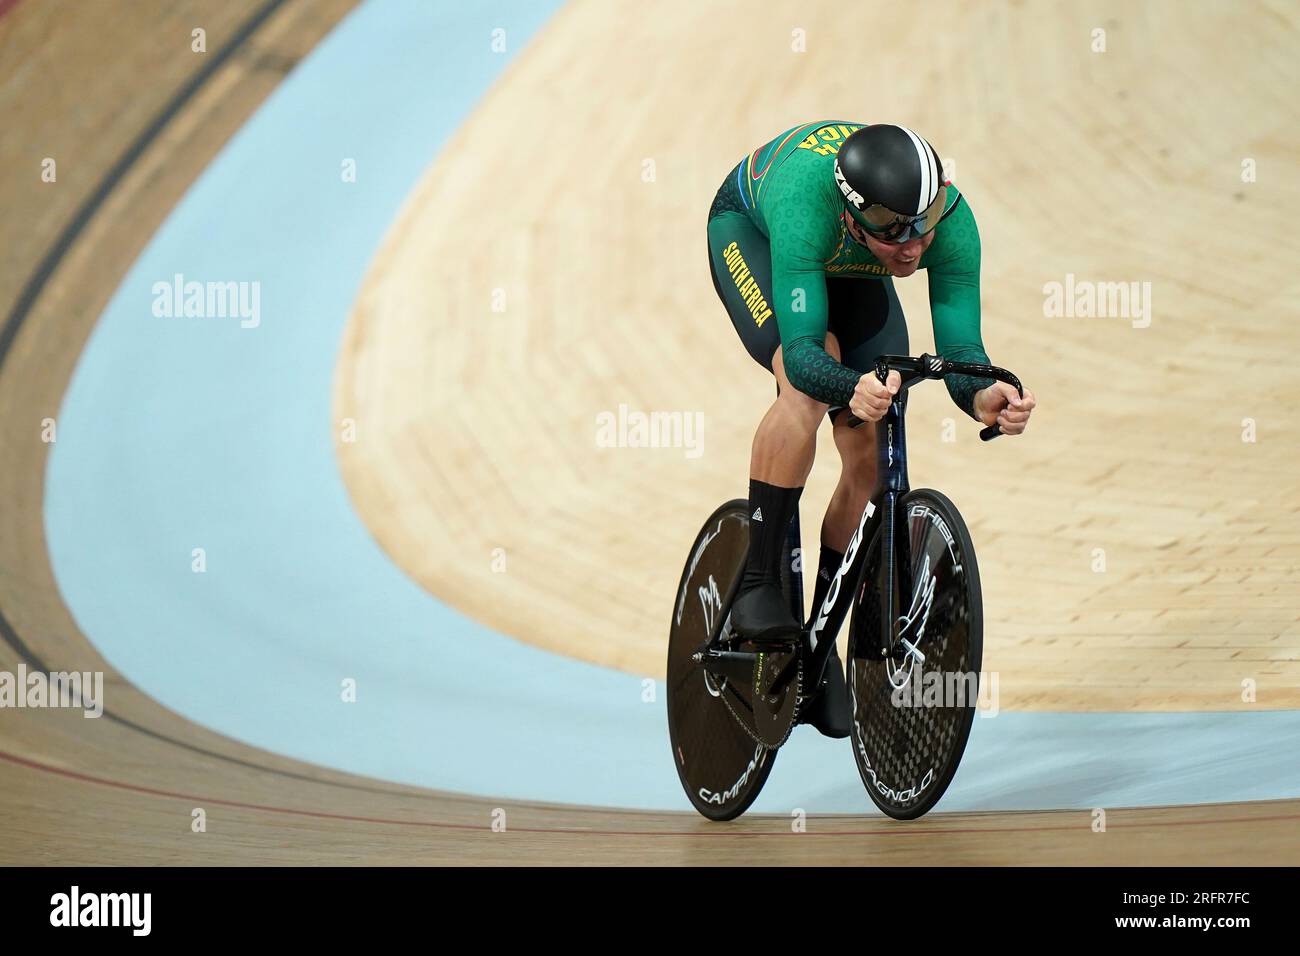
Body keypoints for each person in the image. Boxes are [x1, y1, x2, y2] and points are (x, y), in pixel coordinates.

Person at [706, 122, 1036, 737]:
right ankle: (757, 579)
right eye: (892, 231)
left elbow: (961, 349)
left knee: (869, 447)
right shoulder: (808, 205)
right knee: (806, 390)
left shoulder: (948, 225)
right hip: (754, 235)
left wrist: (985, 397)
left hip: (855, 269)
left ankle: (820, 638)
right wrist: (842, 385)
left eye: (921, 225)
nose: (911, 246)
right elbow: (805, 354)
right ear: (855, 218)